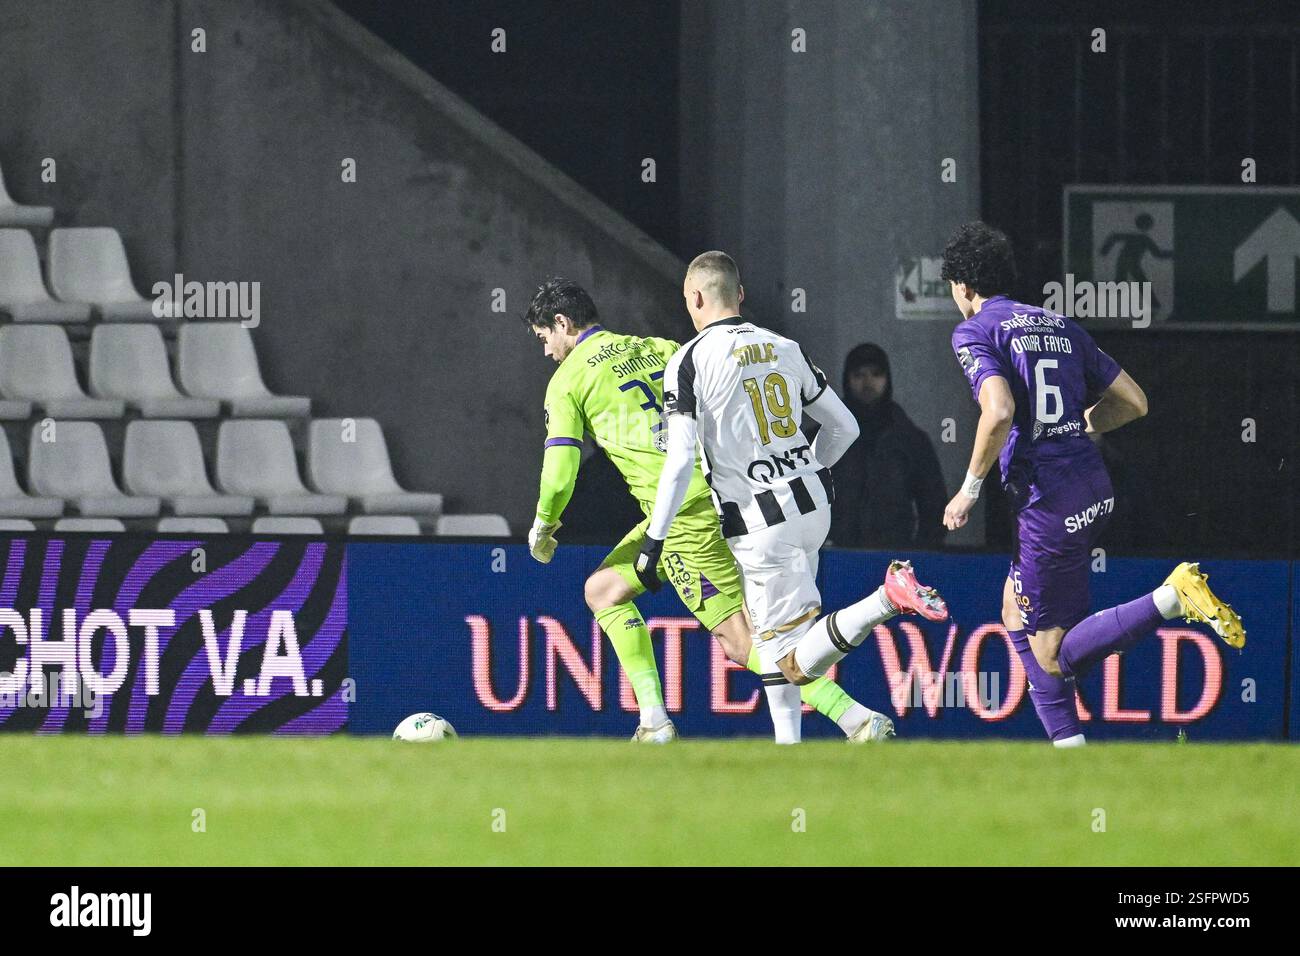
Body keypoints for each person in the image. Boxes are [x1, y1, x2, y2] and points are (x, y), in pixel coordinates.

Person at [523, 277, 885, 743]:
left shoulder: (568, 381)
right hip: (734, 494)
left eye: (544, 339)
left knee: (741, 640)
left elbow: (559, 474)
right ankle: (653, 722)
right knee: (604, 590)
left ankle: (853, 717)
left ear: (562, 323)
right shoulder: (659, 347)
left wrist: (543, 525)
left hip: (682, 516)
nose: (547, 352)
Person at [939, 221, 1245, 747]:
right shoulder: (1060, 326)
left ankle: (1171, 599)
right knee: (1013, 611)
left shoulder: (976, 330)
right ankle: (1070, 752)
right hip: (1090, 485)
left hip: (1048, 503)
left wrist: (968, 488)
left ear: (963, 285)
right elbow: (1135, 402)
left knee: (1052, 656)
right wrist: (1079, 425)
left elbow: (999, 411)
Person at [639, 252, 948, 745]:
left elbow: (679, 462)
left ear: (695, 298)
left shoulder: (689, 359)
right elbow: (843, 425)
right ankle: (790, 752)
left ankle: (885, 599)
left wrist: (654, 541)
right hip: (814, 506)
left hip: (761, 524)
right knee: (773, 641)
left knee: (790, 660)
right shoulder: (785, 346)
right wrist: (810, 469)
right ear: (739, 294)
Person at [830, 343, 947, 549]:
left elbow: (934, 506)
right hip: (833, 558)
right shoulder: (825, 437)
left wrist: (919, 556)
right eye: (859, 375)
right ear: (847, 380)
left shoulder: (911, 440)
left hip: (895, 559)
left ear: (887, 379)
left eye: (876, 374)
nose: (868, 382)